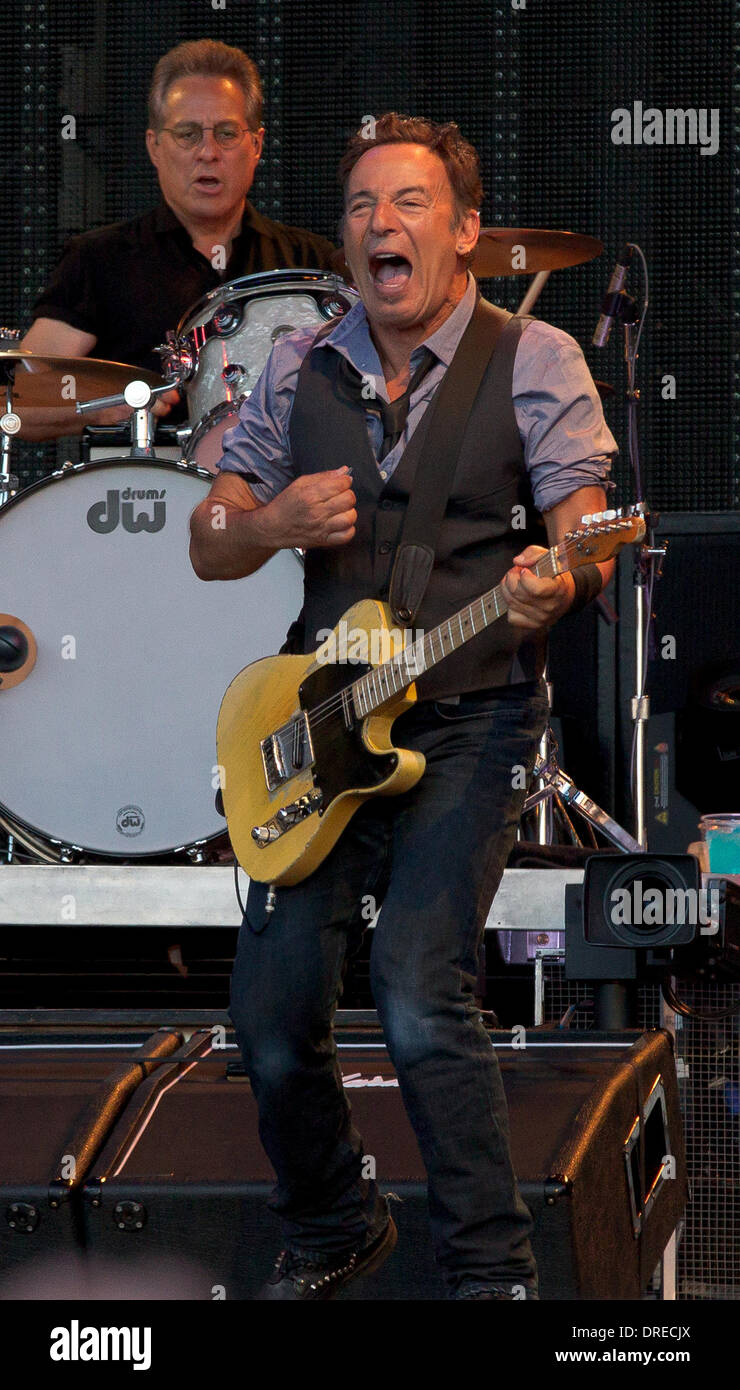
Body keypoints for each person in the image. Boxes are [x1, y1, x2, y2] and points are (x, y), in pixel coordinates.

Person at [189, 113, 618, 1301]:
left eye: (410, 202)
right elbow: (209, 538)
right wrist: (271, 521)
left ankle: (489, 1276)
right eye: (361, 206)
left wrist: (557, 580)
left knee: (420, 989)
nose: (381, 223)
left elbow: (587, 534)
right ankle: (333, 1222)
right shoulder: (297, 365)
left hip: (471, 712)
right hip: (323, 720)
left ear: (466, 230)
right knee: (269, 1017)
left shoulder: (533, 358)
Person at [17, 38, 335, 442]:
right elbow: (18, 402)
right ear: (154, 146)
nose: (208, 152)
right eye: (188, 134)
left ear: (256, 145)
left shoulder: (312, 264)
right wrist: (104, 406)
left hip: (283, 478)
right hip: (144, 479)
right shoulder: (98, 260)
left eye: (226, 133)